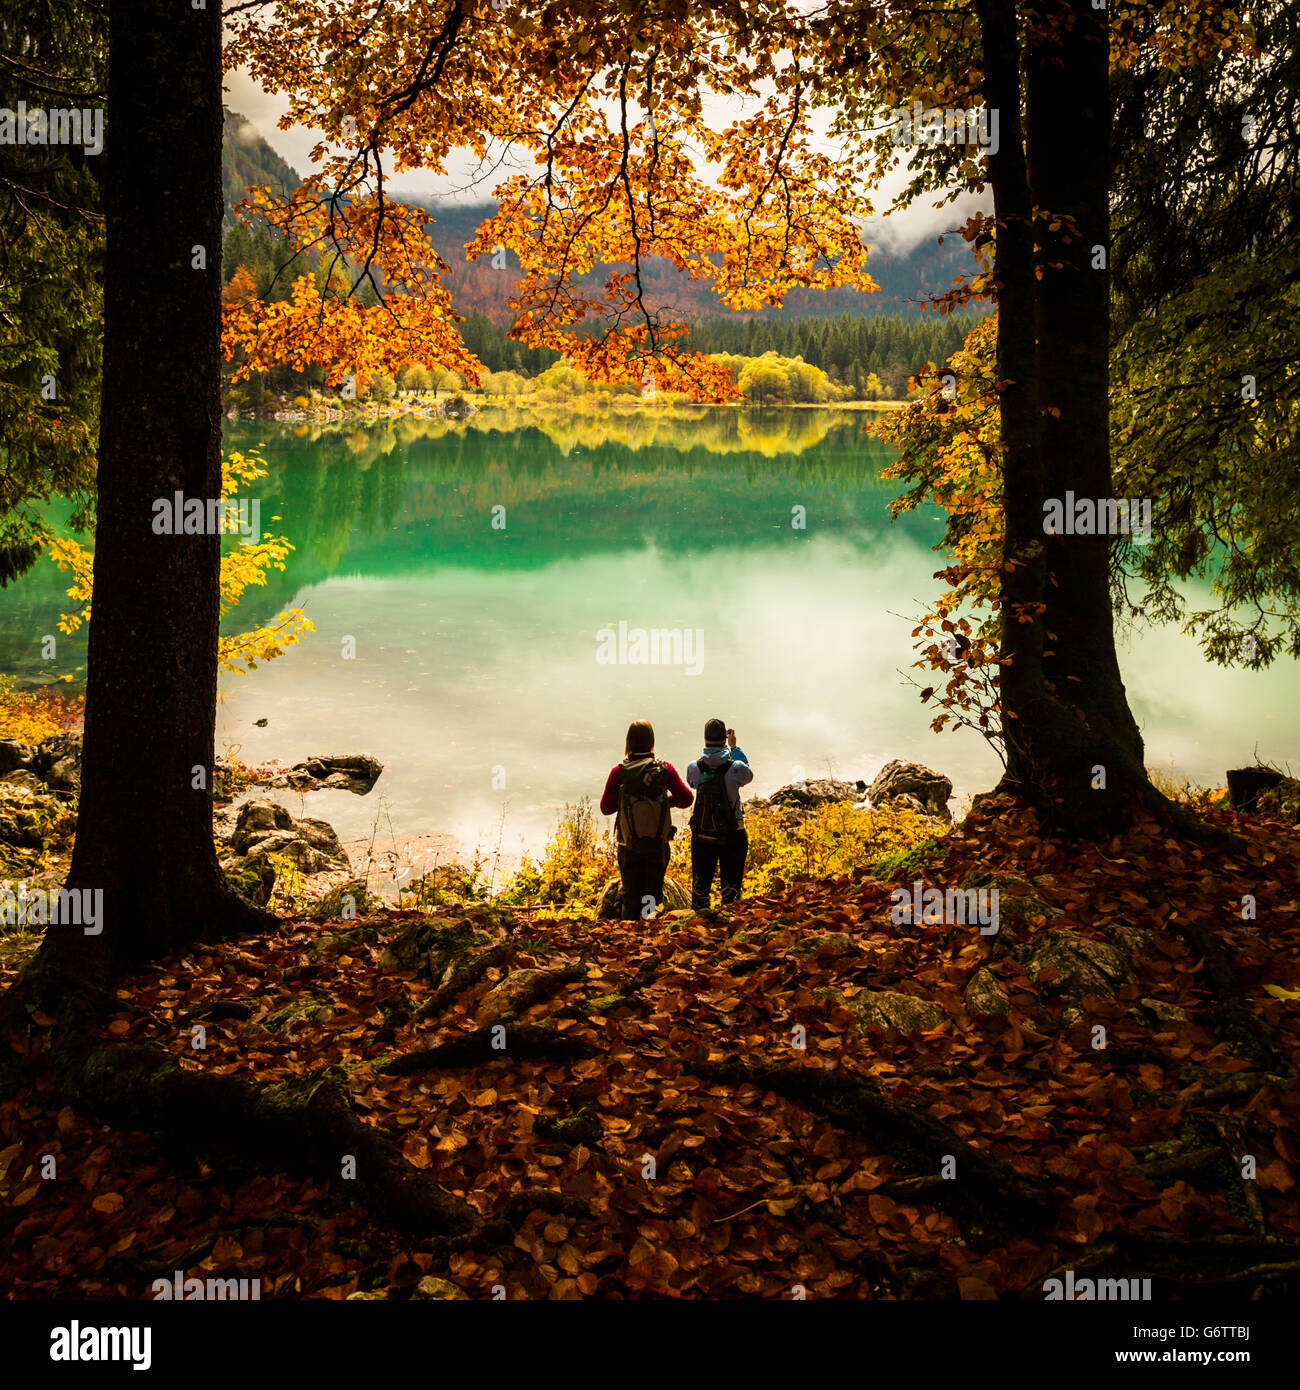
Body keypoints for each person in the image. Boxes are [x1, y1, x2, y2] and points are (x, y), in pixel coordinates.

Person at [599, 719, 693, 921]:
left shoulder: (619, 772)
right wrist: (665, 801)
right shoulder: (664, 769)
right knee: (653, 893)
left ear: (629, 743)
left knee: (631, 895)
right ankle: (649, 936)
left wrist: (626, 802)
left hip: (628, 844)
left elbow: (605, 808)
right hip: (657, 844)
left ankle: (629, 938)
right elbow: (687, 799)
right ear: (652, 741)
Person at [686, 718, 754, 911]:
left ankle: (699, 929)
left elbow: (692, 784)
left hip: (702, 835)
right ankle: (729, 931)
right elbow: (748, 774)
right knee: (731, 892)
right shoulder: (736, 768)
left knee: (700, 891)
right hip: (733, 834)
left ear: (704, 739)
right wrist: (734, 748)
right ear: (724, 739)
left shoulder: (694, 768)